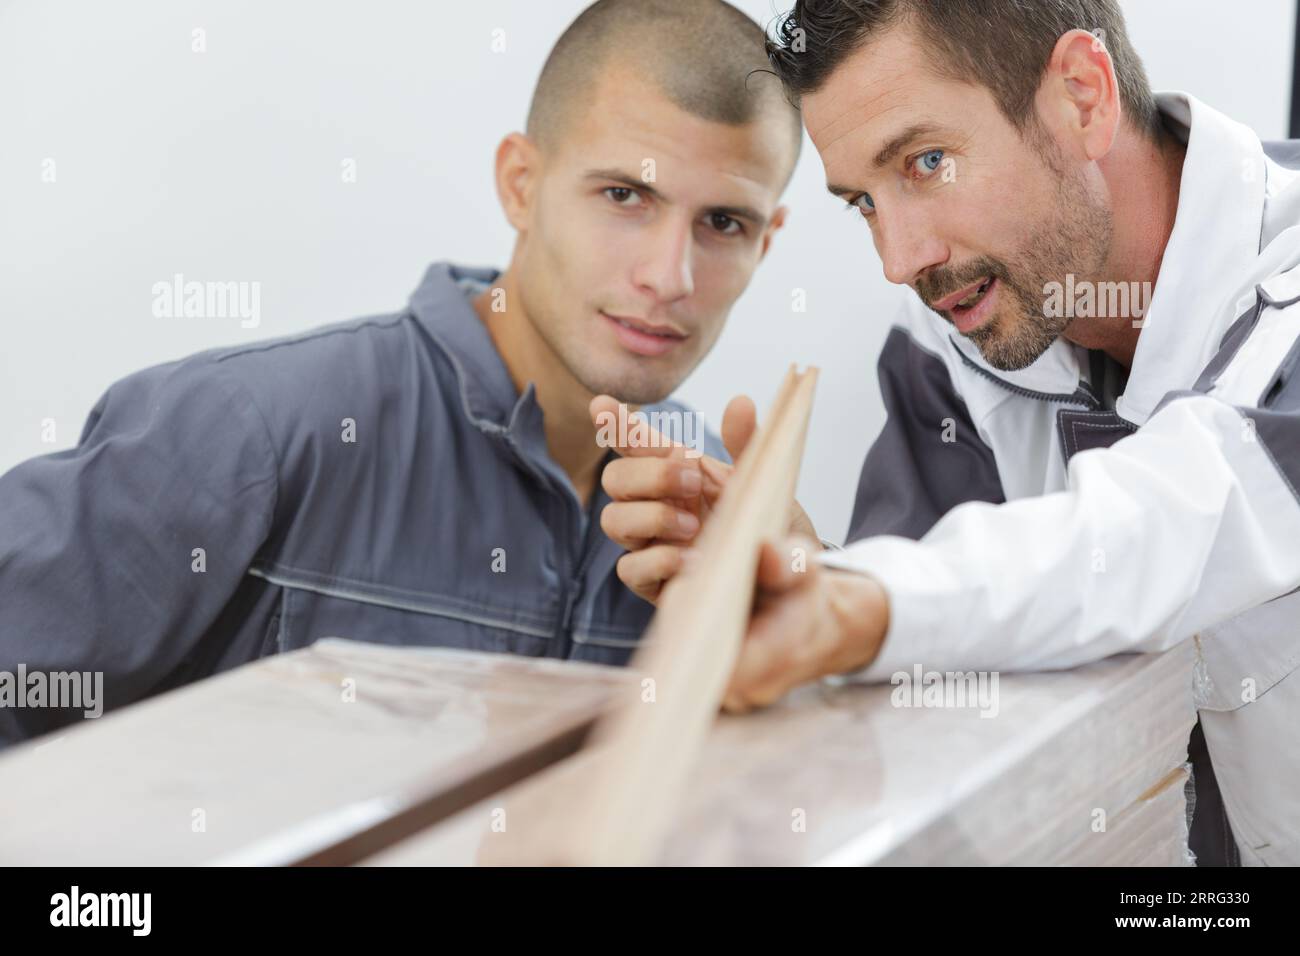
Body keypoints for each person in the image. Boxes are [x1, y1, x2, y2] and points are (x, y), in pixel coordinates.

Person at [599, 0, 1300, 865]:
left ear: (1082, 97)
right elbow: (918, 717)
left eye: (927, 163)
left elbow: (1178, 515)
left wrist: (863, 603)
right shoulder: (953, 341)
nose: (900, 260)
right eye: (863, 202)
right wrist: (800, 582)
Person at [0, 0, 801, 746]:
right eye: (625, 194)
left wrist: (803, 597)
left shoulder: (719, 512)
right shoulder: (252, 430)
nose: (670, 276)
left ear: (765, 244)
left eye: (724, 223)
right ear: (522, 186)